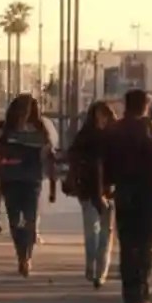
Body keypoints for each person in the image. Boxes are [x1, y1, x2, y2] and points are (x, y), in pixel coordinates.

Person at [103, 89, 152, 303]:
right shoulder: (149, 129)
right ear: (145, 105)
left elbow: (105, 161)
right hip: (147, 191)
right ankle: (141, 294)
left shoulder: (114, 129)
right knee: (146, 246)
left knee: (127, 245)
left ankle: (129, 295)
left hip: (124, 191)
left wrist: (106, 185)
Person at [0, 94, 57, 277]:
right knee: (15, 221)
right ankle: (21, 255)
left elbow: (49, 158)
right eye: (22, 108)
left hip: (32, 182)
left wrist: (53, 186)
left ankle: (27, 257)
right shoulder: (7, 131)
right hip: (11, 181)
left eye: (29, 108)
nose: (25, 112)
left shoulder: (40, 132)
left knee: (29, 220)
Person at [67, 101, 116, 289]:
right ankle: (96, 270)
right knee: (98, 232)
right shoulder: (105, 138)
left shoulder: (86, 137)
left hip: (101, 190)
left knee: (99, 232)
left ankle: (97, 271)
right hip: (95, 190)